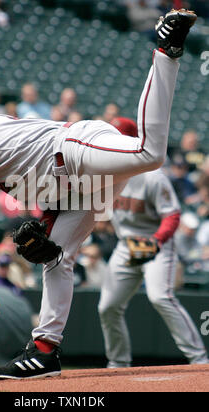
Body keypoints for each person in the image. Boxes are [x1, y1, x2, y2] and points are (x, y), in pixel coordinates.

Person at [0, 8, 197, 380]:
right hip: (75, 184)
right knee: (55, 257)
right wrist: (47, 227)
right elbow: (45, 187)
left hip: (74, 147)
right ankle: (45, 351)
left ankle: (165, 50)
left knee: (149, 153)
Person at [98, 118, 208, 368]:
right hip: (126, 245)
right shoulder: (106, 174)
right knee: (108, 306)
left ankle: (200, 361)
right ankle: (118, 363)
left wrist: (156, 241)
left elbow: (172, 215)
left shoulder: (152, 177)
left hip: (156, 244)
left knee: (161, 297)